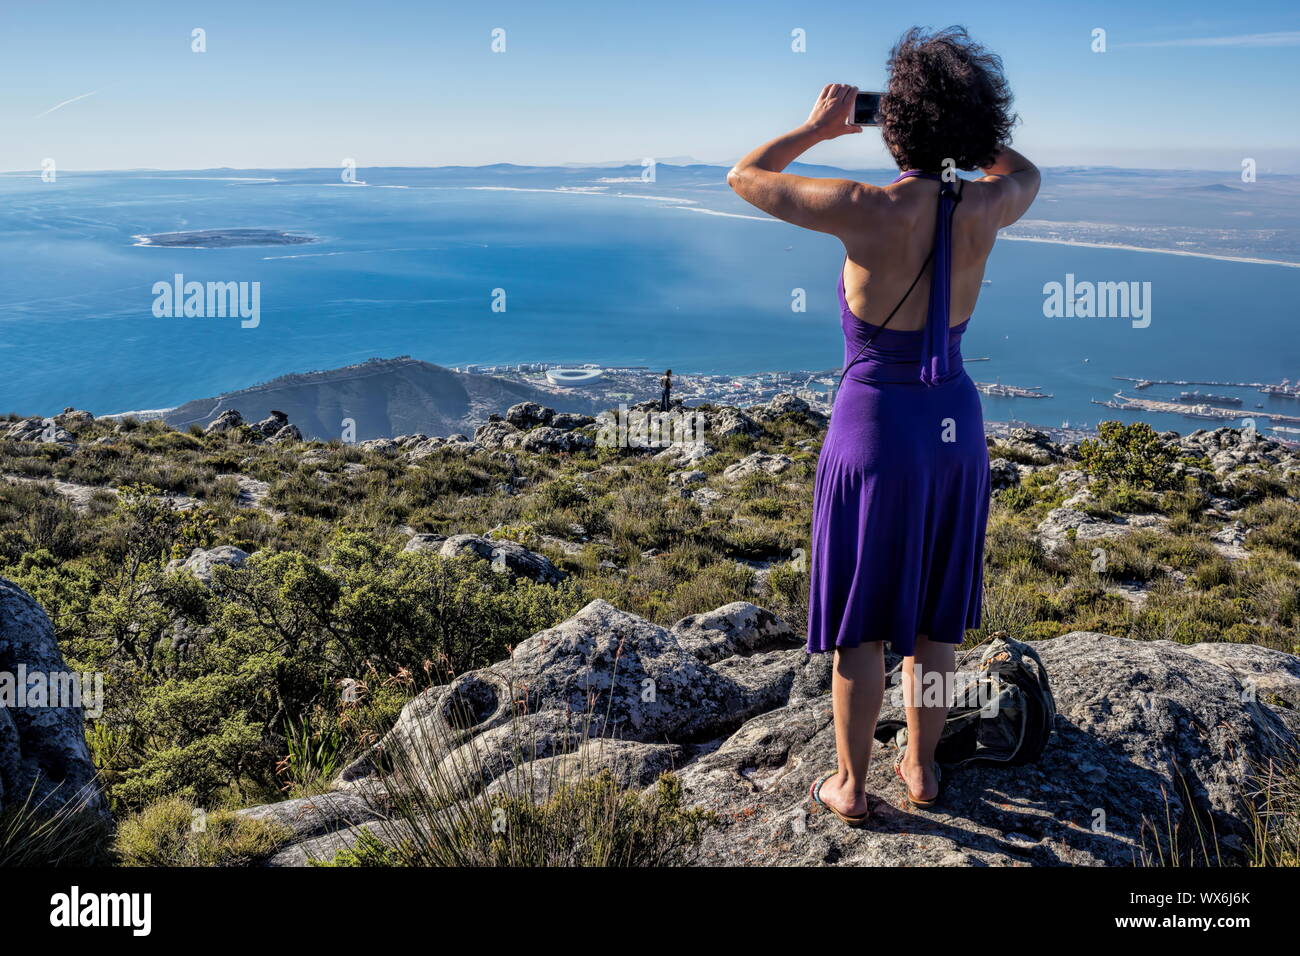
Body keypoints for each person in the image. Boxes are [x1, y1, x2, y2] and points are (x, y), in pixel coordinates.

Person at [727, 26, 1039, 824]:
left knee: (861, 622)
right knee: (937, 617)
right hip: (953, 425)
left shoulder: (864, 208)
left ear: (892, 126)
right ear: (972, 125)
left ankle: (849, 785)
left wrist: (818, 126)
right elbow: (1025, 171)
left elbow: (745, 176)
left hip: (873, 429)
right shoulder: (989, 203)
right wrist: (966, 138)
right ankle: (923, 767)